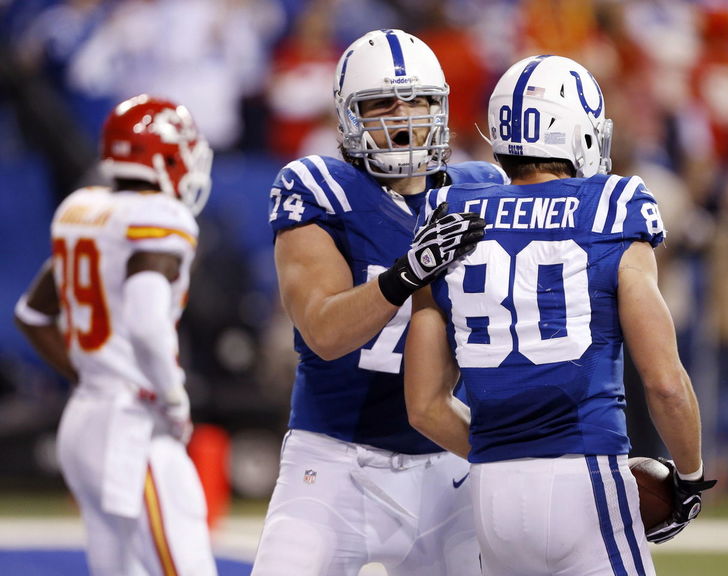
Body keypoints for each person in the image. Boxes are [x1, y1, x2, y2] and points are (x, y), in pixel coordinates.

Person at [403, 54, 717, 576]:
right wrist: (689, 475)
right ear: (577, 131)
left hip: (492, 495)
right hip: (585, 479)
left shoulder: (449, 214)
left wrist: (504, 450)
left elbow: (423, 407)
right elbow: (664, 382)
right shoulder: (613, 205)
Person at [252, 29, 505, 575]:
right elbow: (323, 331)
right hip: (333, 460)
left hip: (447, 465)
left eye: (417, 100)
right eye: (381, 104)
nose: (402, 116)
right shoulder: (320, 186)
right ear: (348, 117)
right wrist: (408, 274)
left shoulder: (480, 188)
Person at [14, 94, 217, 576]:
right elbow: (147, 324)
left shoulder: (82, 209)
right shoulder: (162, 220)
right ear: (165, 156)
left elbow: (32, 313)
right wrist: (173, 398)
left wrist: (91, 371)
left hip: (84, 420)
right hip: (134, 425)